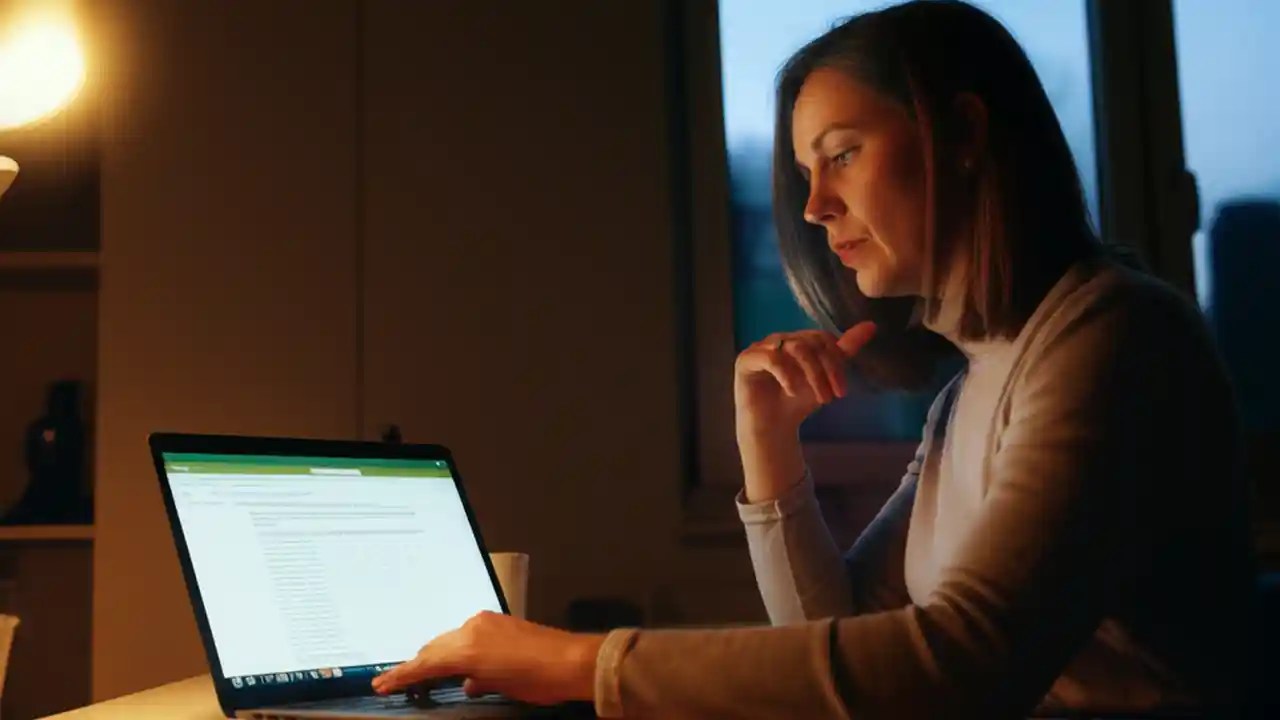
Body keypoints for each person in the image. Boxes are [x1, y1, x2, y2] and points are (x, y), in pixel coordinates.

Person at [372, 1, 1258, 717]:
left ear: (964, 134)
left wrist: (583, 663)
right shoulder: (974, 386)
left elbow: (963, 665)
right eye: (806, 172)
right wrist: (766, 444)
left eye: (841, 155)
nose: (815, 208)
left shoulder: (1114, 337)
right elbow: (845, 635)